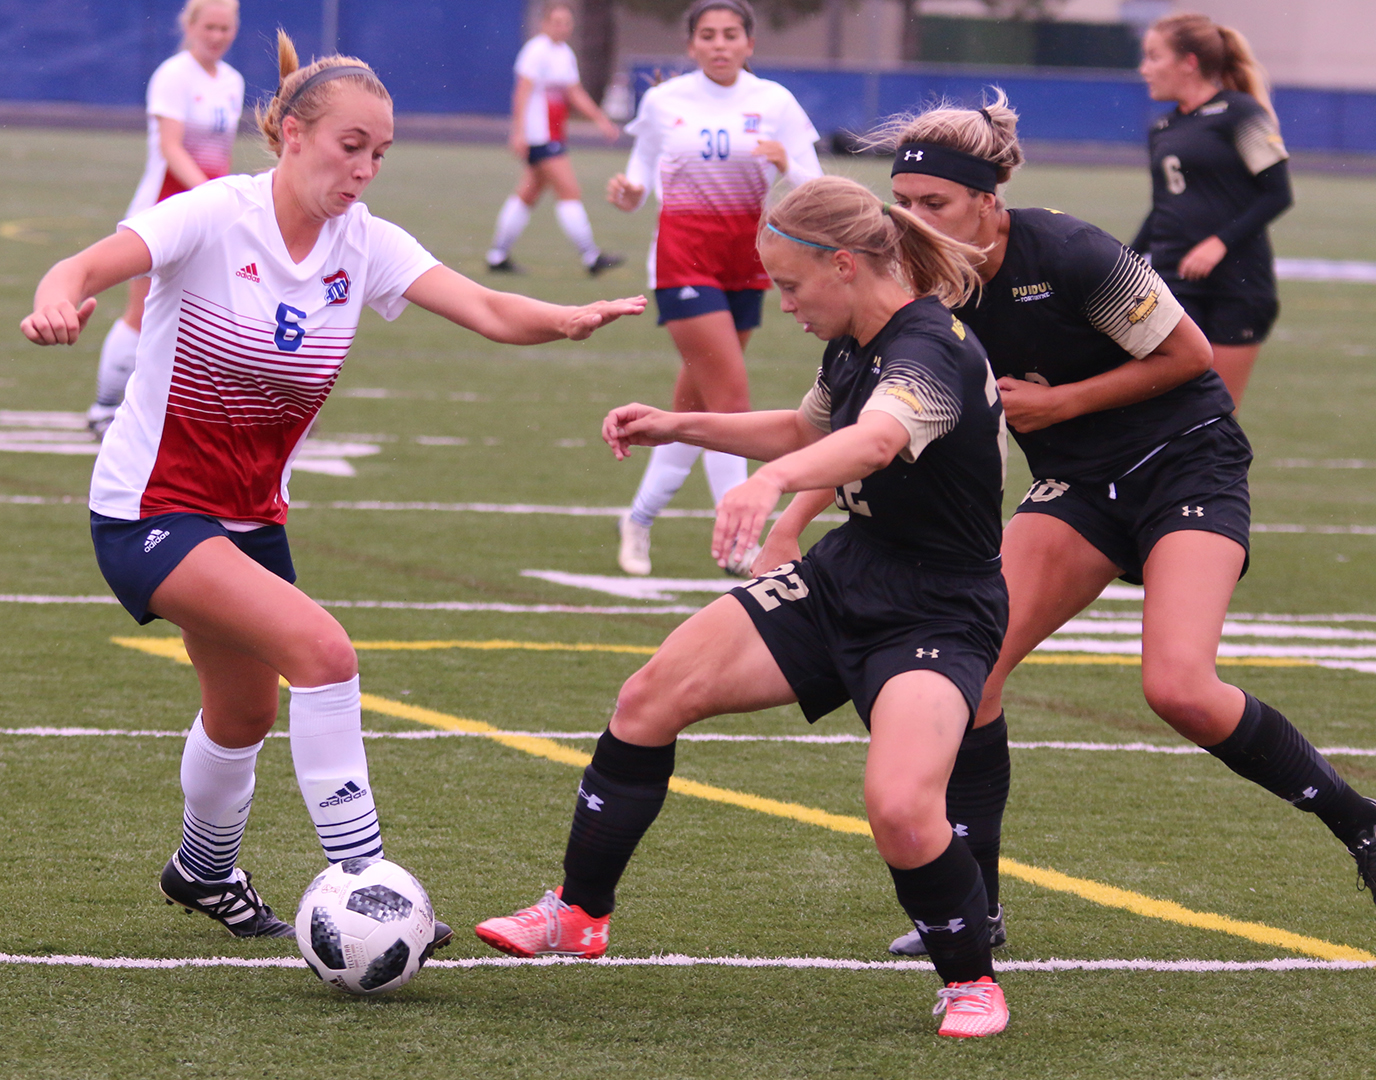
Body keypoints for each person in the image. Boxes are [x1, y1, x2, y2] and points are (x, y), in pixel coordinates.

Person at [21, 31, 645, 945]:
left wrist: (565, 318)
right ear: (291, 135)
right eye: (351, 146)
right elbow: (83, 267)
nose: (366, 169)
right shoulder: (211, 215)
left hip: (250, 517)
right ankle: (368, 882)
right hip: (151, 510)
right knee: (324, 651)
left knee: (244, 711)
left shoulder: (367, 243)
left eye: (381, 153)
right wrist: (55, 299)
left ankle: (201, 869)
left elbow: (485, 308)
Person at [757, 93, 1376, 958]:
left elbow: (1191, 357)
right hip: (1079, 486)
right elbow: (861, 420)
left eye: (934, 204)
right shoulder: (922, 286)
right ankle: (981, 908)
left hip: (1186, 463)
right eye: (904, 204)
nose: (914, 221)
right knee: (975, 667)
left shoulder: (1073, 249)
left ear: (988, 199)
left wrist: (1061, 401)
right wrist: (792, 518)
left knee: (1179, 688)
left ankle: (1362, 827)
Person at [477, 176, 1015, 1039]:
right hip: (849, 574)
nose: (784, 302)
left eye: (792, 286)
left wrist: (770, 488)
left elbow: (874, 440)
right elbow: (809, 430)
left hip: (938, 611)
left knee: (902, 807)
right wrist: (680, 425)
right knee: (650, 696)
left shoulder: (930, 350)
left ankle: (971, 983)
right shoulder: (853, 342)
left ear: (844, 266)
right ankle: (578, 913)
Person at [605, 0, 821, 577]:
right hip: (682, 262)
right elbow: (640, 179)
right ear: (692, 45)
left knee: (693, 411)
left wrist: (789, 166)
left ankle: (639, 519)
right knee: (730, 402)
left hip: (748, 263)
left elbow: (818, 188)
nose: (720, 44)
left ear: (749, 43)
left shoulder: (775, 103)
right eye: (708, 35)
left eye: (731, 34)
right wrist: (628, 193)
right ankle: (738, 545)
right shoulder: (663, 103)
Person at [86, 0, 245, 439]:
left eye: (226, 28)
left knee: (214, 313)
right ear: (190, 26)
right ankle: (103, 409)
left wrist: (225, 198)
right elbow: (173, 147)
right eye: (210, 27)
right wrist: (210, 192)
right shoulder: (173, 75)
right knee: (140, 313)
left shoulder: (232, 81)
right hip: (161, 210)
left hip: (207, 214)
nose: (217, 36)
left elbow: (222, 153)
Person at [1133, 12, 1292, 407]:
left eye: (1154, 57)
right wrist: (1125, 259)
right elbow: (1163, 208)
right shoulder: (1162, 127)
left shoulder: (1241, 114)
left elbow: (1277, 194)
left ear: (1189, 62)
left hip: (1235, 286)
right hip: (1171, 282)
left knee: (1214, 417)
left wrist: (1217, 244)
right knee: (1166, 415)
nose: (1144, 69)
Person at [483, 1, 623, 277]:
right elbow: (522, 92)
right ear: (544, 24)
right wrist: (519, 131)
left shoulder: (564, 53)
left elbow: (575, 92)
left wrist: (601, 120)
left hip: (554, 134)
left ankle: (497, 255)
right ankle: (591, 256)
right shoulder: (536, 51)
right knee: (569, 191)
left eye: (566, 22)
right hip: (540, 136)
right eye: (556, 21)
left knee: (528, 194)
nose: (562, 27)